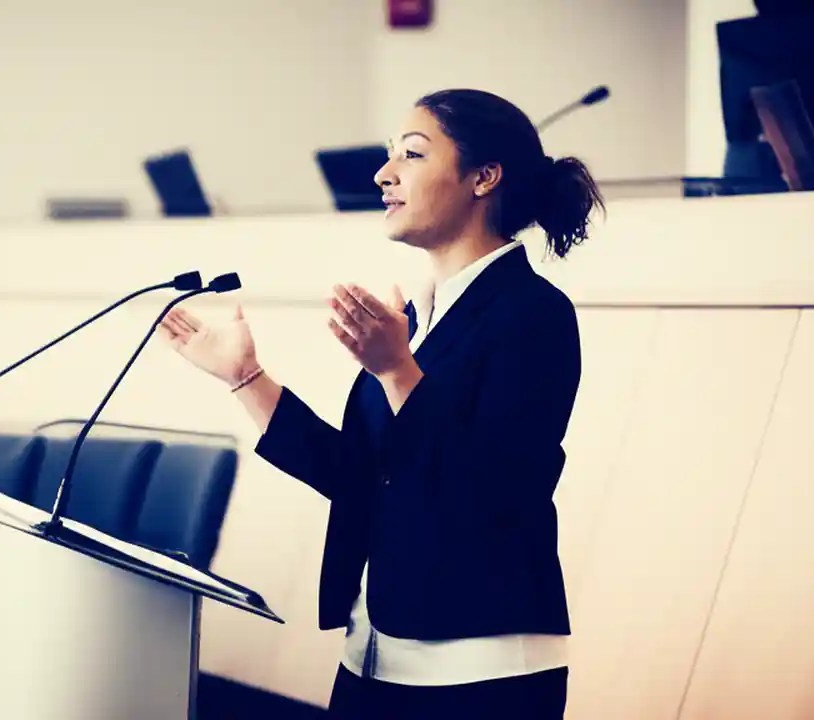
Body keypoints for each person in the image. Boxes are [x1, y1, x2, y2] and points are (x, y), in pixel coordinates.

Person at [158, 89, 602, 718]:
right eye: (391, 154)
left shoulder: (534, 312)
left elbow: (490, 489)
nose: (383, 173)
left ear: (483, 177)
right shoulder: (414, 319)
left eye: (412, 155)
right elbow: (362, 477)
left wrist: (397, 370)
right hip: (374, 654)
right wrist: (246, 378)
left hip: (480, 671)